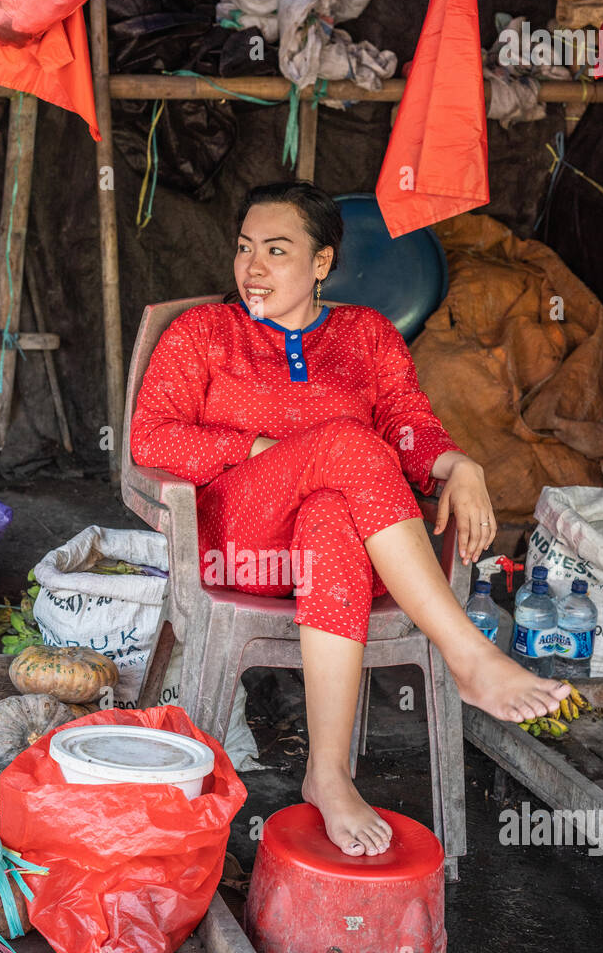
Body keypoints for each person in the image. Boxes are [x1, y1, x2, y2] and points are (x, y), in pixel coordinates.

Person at [131, 181, 570, 857]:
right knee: (347, 446)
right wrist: (256, 449)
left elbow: (408, 427)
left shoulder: (367, 336)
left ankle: (328, 775)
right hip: (240, 540)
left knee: (336, 512)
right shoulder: (205, 333)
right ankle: (467, 654)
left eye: (277, 251)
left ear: (322, 263)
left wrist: (458, 466)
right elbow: (151, 439)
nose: (253, 268)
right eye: (246, 249)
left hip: (343, 548)